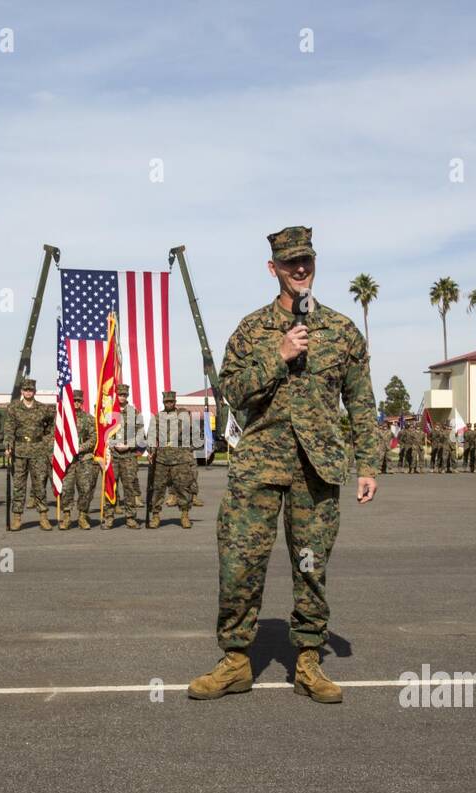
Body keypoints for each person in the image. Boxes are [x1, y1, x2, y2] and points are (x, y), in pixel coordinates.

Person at [188, 226, 377, 704]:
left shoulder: (341, 330)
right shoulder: (253, 330)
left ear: (314, 264)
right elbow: (232, 393)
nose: (299, 269)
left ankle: (308, 662)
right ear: (272, 268)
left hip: (316, 471)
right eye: (290, 262)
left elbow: (361, 402)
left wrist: (369, 465)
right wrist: (279, 354)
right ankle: (235, 661)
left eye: (306, 261)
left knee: (310, 568)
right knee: (239, 564)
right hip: (258, 469)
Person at [3, 378, 55, 531]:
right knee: (19, 485)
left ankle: (43, 517)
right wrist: (8, 445)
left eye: (30, 390)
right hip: (19, 451)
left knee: (39, 485)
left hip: (38, 450)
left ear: (34, 392)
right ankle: (17, 517)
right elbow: (9, 428)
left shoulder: (43, 409)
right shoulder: (14, 408)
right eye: (25, 390)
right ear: (22, 392)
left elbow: (51, 424)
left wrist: (46, 439)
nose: (28, 392)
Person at [147, 390, 196, 529]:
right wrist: (150, 451)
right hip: (161, 460)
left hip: (179, 460)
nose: (168, 404)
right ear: (163, 403)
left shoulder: (183, 416)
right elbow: (151, 436)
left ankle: (185, 515)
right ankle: (155, 515)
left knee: (182, 488)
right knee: (158, 489)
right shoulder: (157, 418)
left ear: (175, 402)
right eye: (166, 402)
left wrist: (188, 451)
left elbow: (191, 434)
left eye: (171, 402)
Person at [102, 384, 144, 528]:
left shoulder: (135, 412)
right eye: (120, 394)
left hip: (129, 456)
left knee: (129, 488)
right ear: (116, 395)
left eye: (125, 395)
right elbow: (103, 432)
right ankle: (109, 517)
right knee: (110, 487)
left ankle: (130, 517)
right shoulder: (109, 412)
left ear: (128, 396)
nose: (122, 397)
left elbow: (140, 435)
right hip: (112, 456)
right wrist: (112, 443)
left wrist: (128, 445)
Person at [59, 390, 97, 529]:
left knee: (85, 489)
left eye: (79, 401)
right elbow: (56, 437)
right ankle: (67, 516)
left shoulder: (89, 419)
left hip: (84, 459)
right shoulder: (63, 418)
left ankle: (82, 516)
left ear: (82, 402)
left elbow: (94, 438)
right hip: (67, 460)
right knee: (67, 489)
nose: (76, 403)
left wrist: (80, 448)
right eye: (74, 400)